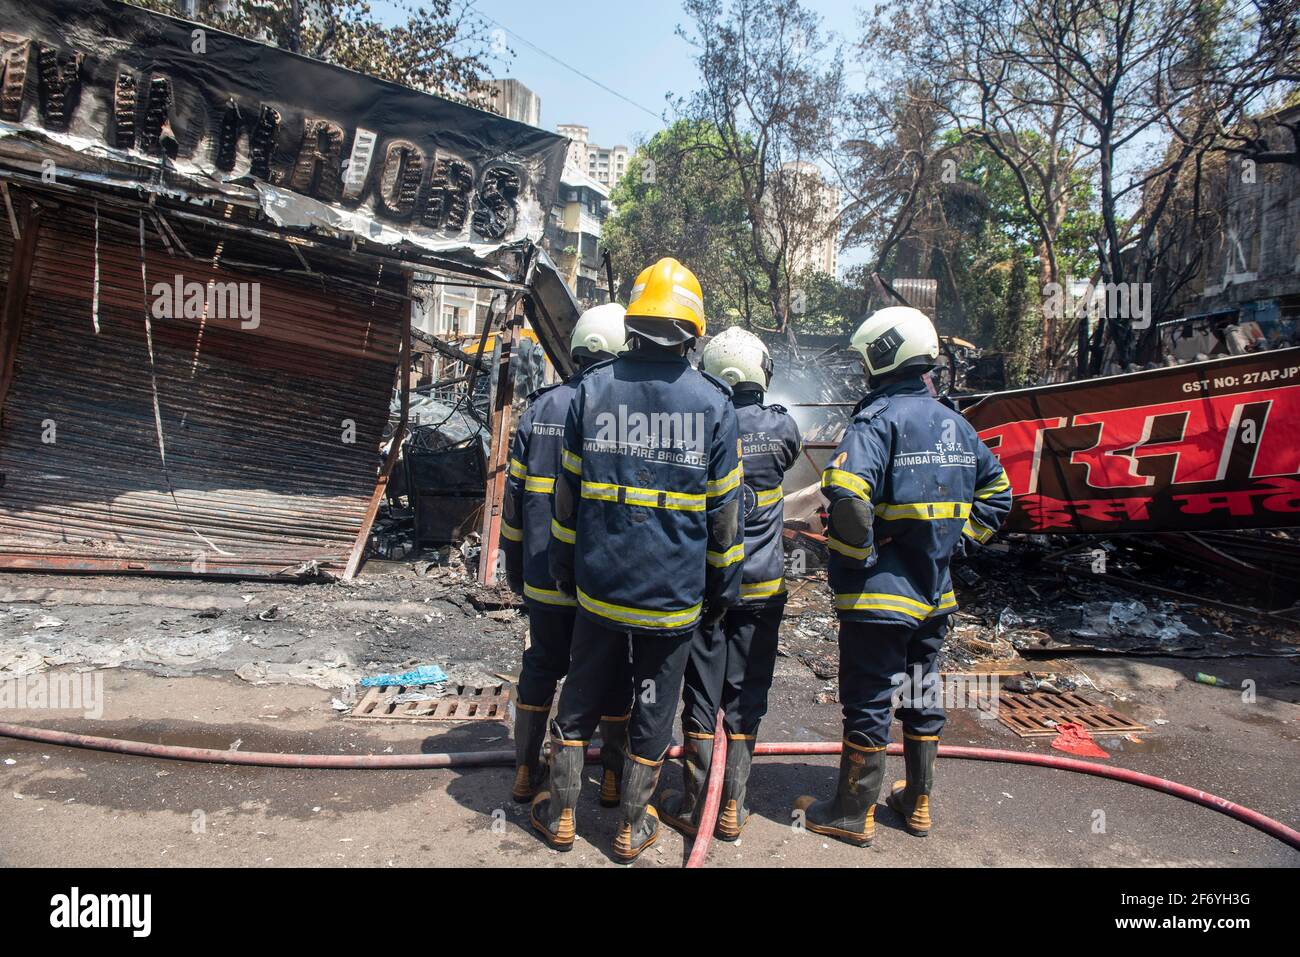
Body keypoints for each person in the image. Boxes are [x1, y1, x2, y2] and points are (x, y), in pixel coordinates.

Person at [531, 258, 744, 863]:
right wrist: (721, 586)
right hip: (672, 601)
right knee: (654, 703)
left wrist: (565, 567)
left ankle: (563, 815)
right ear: (693, 333)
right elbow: (724, 517)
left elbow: (565, 500)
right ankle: (630, 825)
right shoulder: (713, 403)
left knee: (581, 698)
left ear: (634, 323)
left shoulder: (592, 390)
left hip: (599, 589)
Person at [793, 305, 1011, 845]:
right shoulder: (958, 426)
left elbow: (847, 498)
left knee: (868, 698)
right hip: (934, 594)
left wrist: (856, 560)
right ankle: (916, 802)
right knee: (922, 690)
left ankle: (851, 812)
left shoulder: (877, 421)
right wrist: (950, 545)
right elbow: (999, 494)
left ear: (881, 356)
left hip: (880, 599)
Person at [660, 327, 801, 841]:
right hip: (762, 589)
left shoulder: (697, 425)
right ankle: (733, 808)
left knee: (701, 689)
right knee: (746, 694)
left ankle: (696, 803)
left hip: (706, 586)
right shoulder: (782, 430)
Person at [501, 304, 632, 808]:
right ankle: (614, 779)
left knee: (542, 663)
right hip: (599, 580)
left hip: (540, 573)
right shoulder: (617, 409)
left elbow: (514, 502)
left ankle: (524, 771)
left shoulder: (539, 409)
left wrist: (516, 568)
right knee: (613, 670)